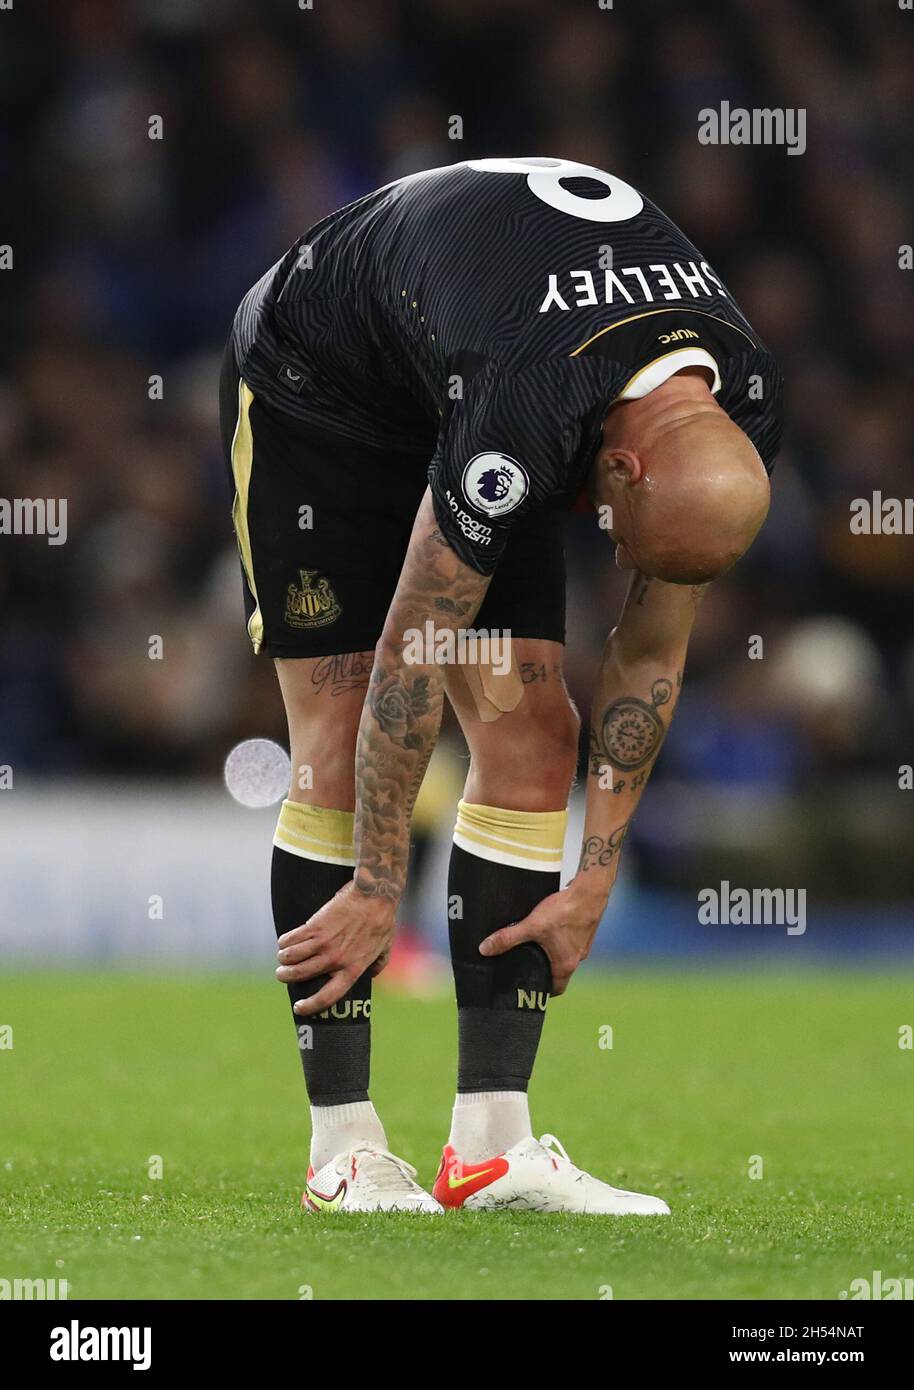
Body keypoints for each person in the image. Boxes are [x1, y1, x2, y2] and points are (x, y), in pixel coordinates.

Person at [219, 157, 781, 1214]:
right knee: (335, 739)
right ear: (614, 473)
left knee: (530, 735)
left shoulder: (737, 403)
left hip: (458, 379)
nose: (609, 557)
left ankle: (490, 1149)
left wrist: (595, 876)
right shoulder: (531, 404)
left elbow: (650, 653)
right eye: (614, 537)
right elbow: (408, 658)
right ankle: (341, 1144)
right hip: (320, 387)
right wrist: (381, 884)